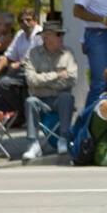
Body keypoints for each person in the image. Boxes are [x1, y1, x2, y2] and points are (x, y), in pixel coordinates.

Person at [20, 18, 77, 161]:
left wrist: (43, 82)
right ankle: (33, 144)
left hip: (59, 99)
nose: (61, 37)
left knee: (67, 97)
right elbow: (31, 80)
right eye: (58, 34)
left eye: (62, 34)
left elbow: (72, 79)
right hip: (40, 100)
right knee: (30, 101)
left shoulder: (68, 54)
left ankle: (63, 138)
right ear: (46, 37)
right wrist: (56, 75)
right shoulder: (33, 54)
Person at [0, 7, 41, 121]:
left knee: (4, 83)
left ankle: (23, 114)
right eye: (22, 21)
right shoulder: (20, 34)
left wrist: (20, 63)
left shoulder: (39, 34)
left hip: (36, 70)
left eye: (28, 19)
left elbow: (39, 58)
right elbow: (7, 56)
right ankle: (11, 115)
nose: (25, 23)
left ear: (35, 20)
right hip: (20, 71)